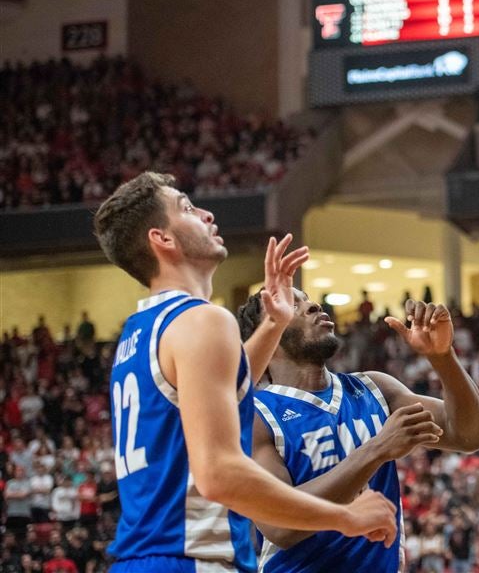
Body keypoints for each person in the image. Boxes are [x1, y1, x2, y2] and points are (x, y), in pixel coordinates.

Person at [93, 172, 397, 572]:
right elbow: (219, 475)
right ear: (161, 239)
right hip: (192, 560)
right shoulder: (202, 320)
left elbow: (222, 391)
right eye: (187, 208)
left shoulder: (142, 331)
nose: (206, 214)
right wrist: (345, 517)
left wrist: (273, 323)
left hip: (144, 558)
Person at [237, 292, 479, 573]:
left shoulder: (376, 389)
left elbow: (471, 435)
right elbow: (280, 525)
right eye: (293, 304)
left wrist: (443, 357)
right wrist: (377, 450)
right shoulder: (255, 414)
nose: (313, 305)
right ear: (266, 336)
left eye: (306, 298)